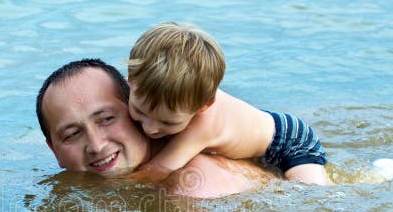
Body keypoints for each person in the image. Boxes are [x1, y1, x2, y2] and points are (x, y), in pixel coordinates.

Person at [36, 59, 277, 198]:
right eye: (72, 134)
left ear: (134, 111)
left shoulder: (192, 184)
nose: (97, 145)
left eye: (107, 119)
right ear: (53, 150)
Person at [126, 22, 330, 185]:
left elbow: (159, 170)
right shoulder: (156, 89)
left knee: (310, 195)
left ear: (204, 106)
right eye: (139, 111)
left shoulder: (203, 125)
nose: (150, 128)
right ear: (130, 80)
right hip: (258, 128)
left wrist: (108, 186)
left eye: (168, 123)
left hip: (290, 141)